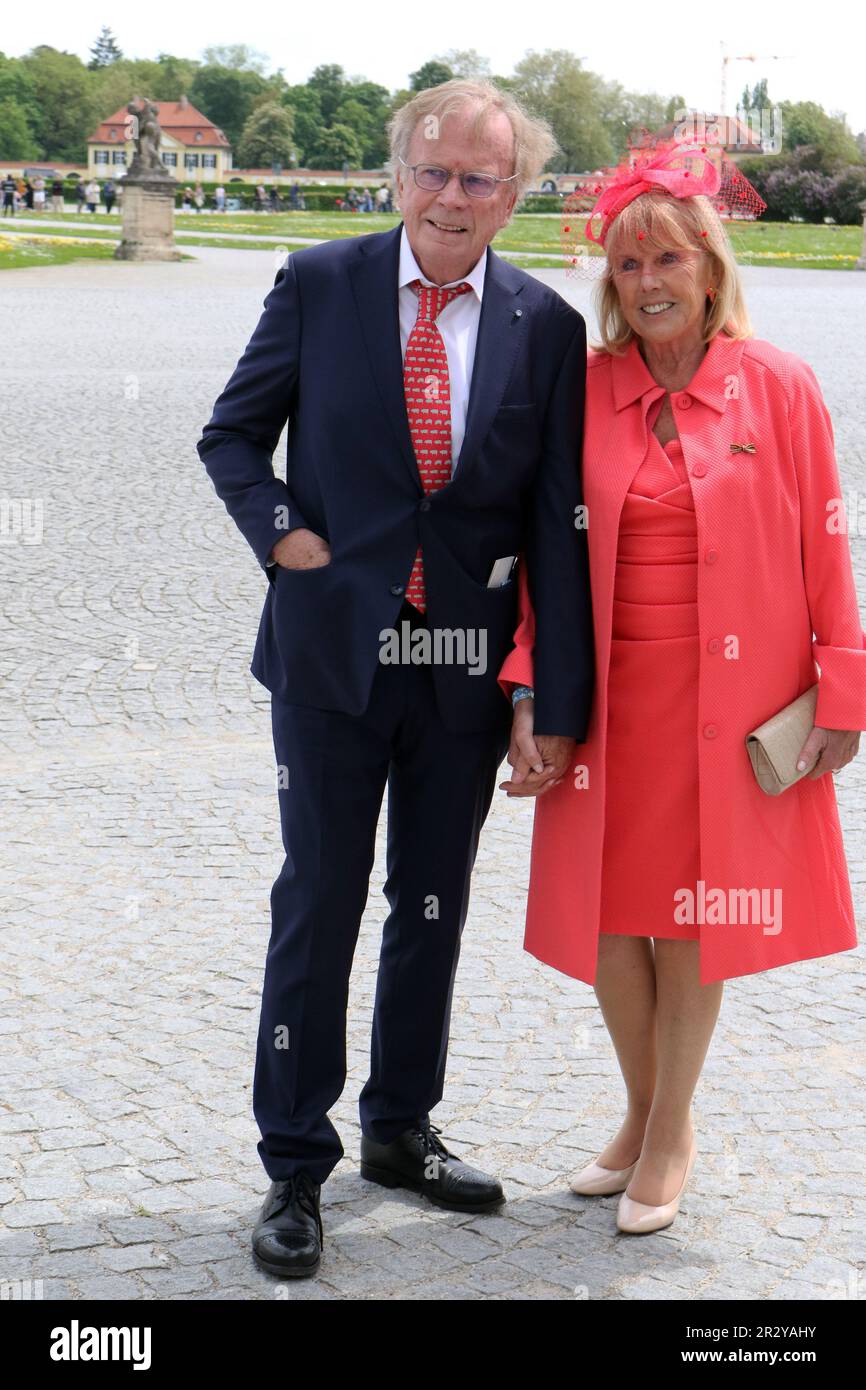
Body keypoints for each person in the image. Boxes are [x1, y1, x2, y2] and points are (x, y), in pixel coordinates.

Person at [196, 77, 593, 1278]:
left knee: (430, 904)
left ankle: (398, 1129)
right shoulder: (320, 284)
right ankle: (292, 1162)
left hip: (461, 669)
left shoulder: (547, 326)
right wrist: (280, 534)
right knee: (317, 899)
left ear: (512, 192)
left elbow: (556, 524)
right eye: (431, 172)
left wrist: (548, 694)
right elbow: (230, 432)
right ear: (397, 175)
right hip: (331, 653)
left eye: (478, 177)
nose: (450, 196)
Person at [498, 141, 866, 1236]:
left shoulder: (780, 386)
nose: (645, 282)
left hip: (726, 704)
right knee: (612, 922)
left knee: (696, 917)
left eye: (666, 259)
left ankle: (668, 1135)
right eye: (624, 264)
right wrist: (528, 690)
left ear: (709, 267)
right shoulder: (585, 386)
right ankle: (643, 1109)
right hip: (606, 698)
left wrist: (842, 689)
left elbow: (825, 544)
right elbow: (540, 558)